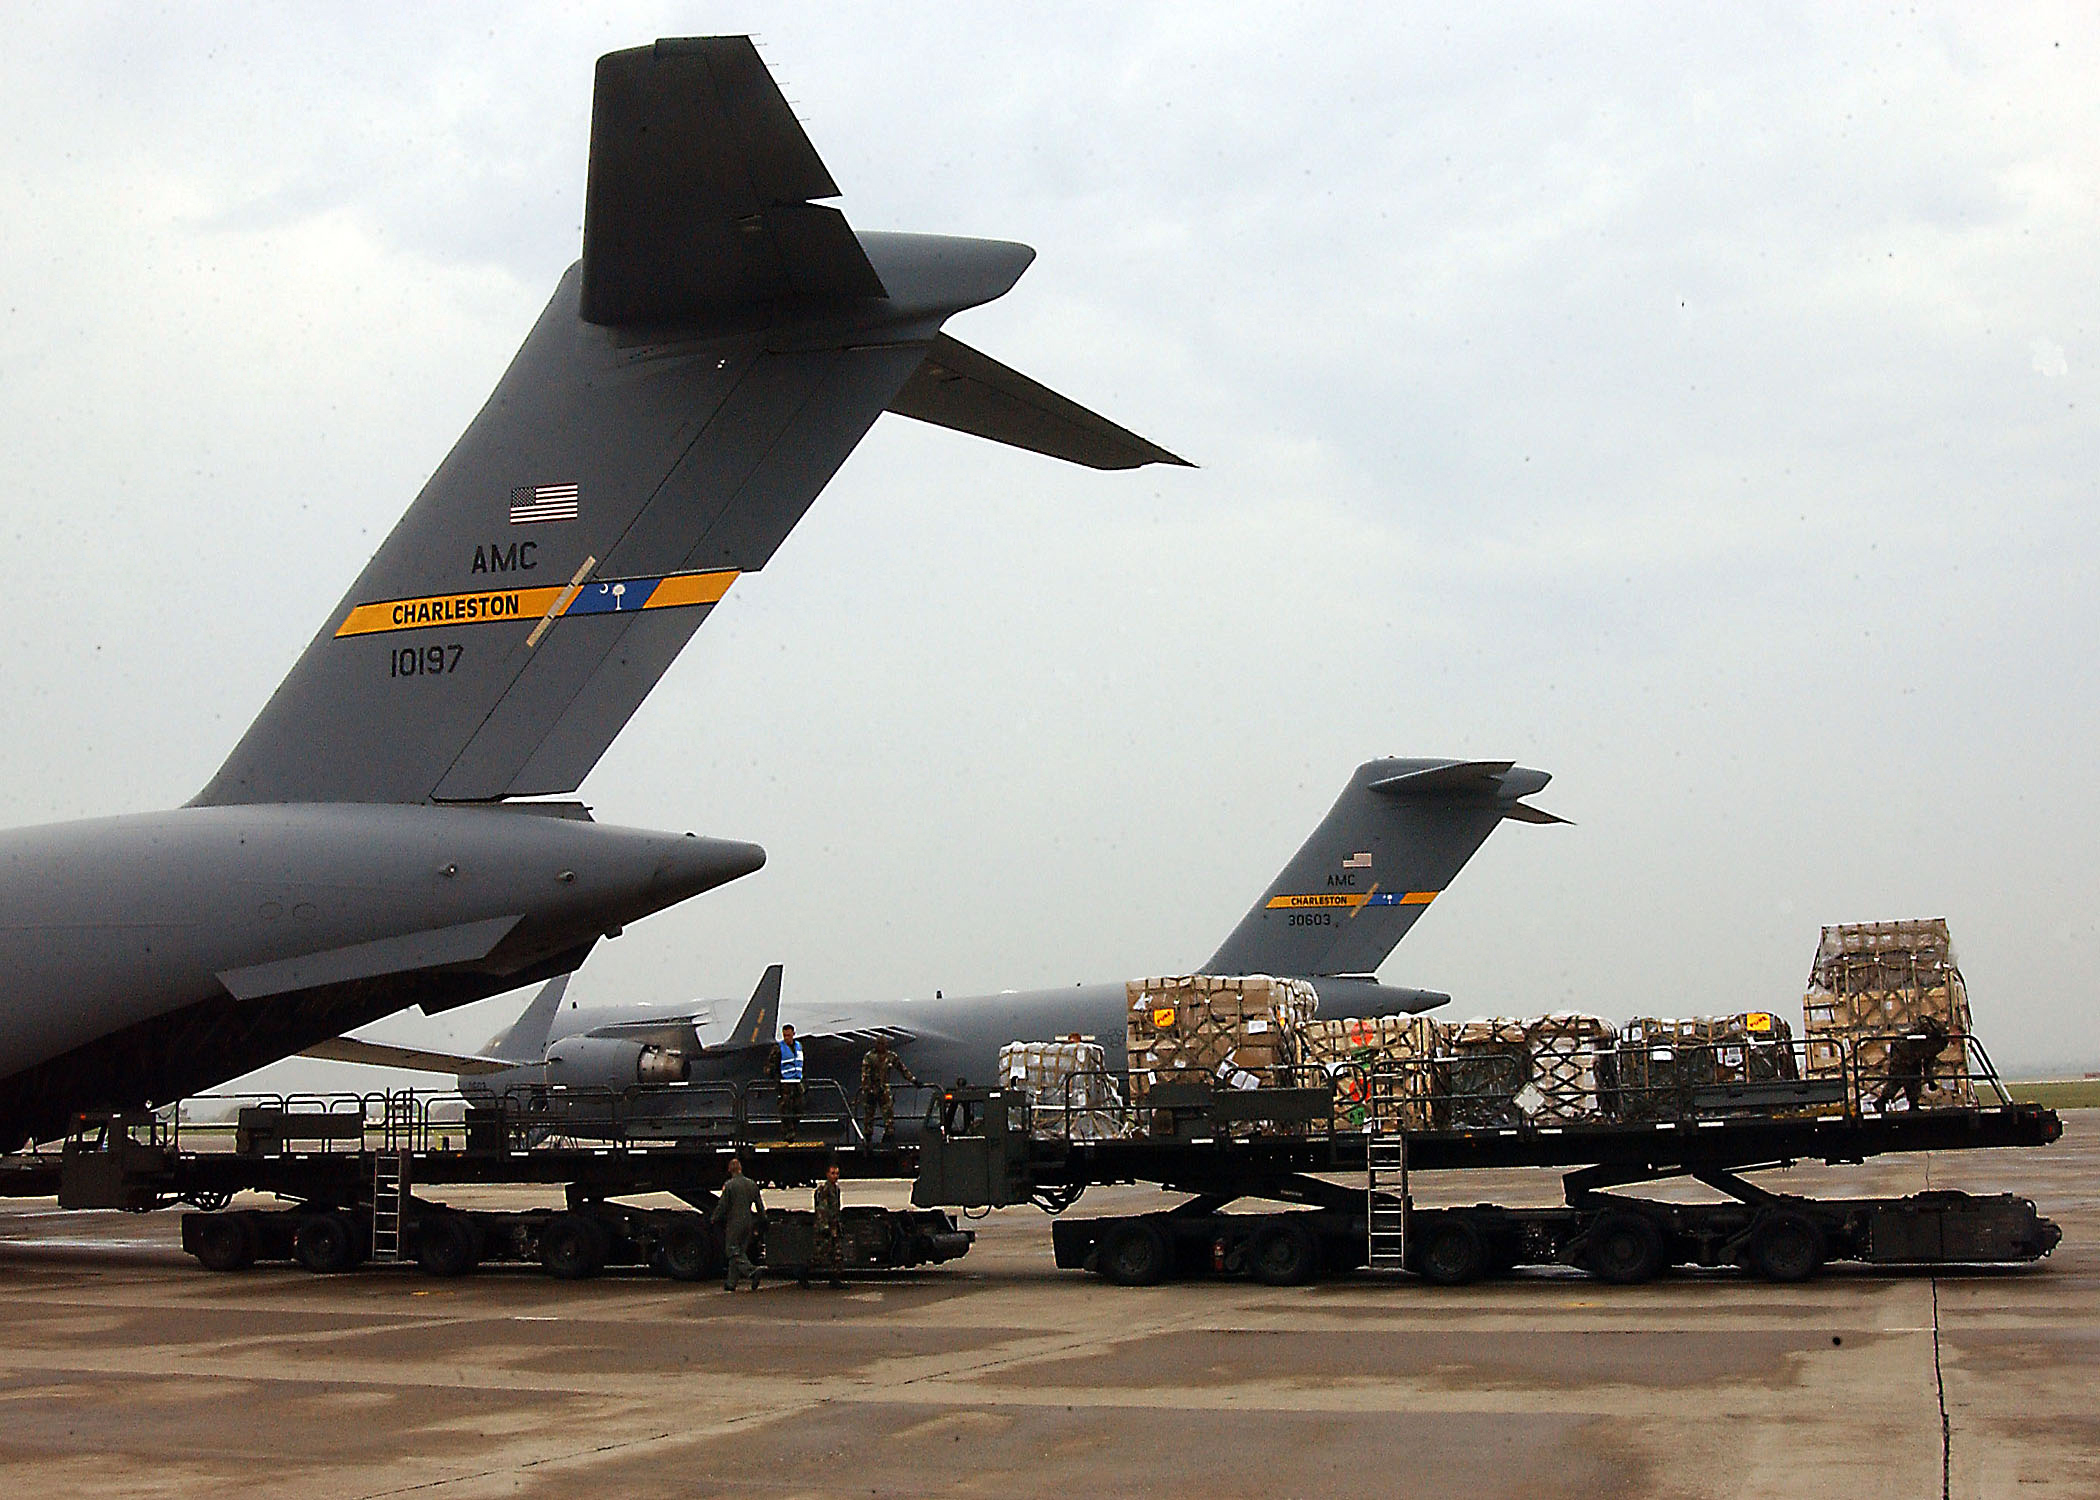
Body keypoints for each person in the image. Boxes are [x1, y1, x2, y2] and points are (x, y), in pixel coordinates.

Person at [1875, 1016, 1952, 1112]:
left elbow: (1929, 1060)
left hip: (1915, 1055)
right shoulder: (1937, 1029)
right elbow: (1921, 1023)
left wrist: (1930, 1080)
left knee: (1915, 1077)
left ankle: (1913, 1104)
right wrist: (1926, 1034)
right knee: (1899, 1076)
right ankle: (1882, 1101)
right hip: (1903, 1049)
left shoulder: (1942, 1044)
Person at [710, 1157, 765, 1291]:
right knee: (739, 1251)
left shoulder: (729, 1185)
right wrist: (762, 1220)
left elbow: (722, 1206)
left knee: (732, 1251)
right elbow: (760, 1206)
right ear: (741, 1168)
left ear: (730, 1170)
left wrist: (714, 1218)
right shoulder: (752, 1184)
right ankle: (731, 1283)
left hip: (735, 1222)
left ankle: (751, 1271)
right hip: (748, 1222)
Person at [858, 1037, 921, 1145]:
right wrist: (867, 1089)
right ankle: (868, 1138)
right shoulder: (869, 1057)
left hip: (884, 1089)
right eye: (879, 1044)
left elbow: (902, 1069)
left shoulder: (891, 1056)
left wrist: (913, 1080)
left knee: (888, 1113)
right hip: (871, 1089)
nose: (881, 1046)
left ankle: (889, 1136)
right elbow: (865, 1075)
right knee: (869, 1115)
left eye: (883, 1044)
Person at [801, 1161, 845, 1288]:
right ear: (827, 1174)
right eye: (832, 1173)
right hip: (825, 1227)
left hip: (834, 1226)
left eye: (837, 1173)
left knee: (837, 1255)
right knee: (819, 1255)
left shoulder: (835, 1189)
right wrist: (824, 1227)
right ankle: (803, 1273)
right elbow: (821, 1209)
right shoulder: (824, 1190)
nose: (835, 1176)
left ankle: (835, 1280)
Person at [766, 1023, 805, 1141]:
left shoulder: (799, 1046)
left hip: (797, 1083)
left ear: (793, 1034)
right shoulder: (778, 1049)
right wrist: (777, 1079)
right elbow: (770, 1067)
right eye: (784, 1036)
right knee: (785, 1110)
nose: (787, 1038)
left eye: (788, 1035)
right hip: (785, 1085)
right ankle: (788, 1134)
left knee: (799, 1108)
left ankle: (795, 1131)